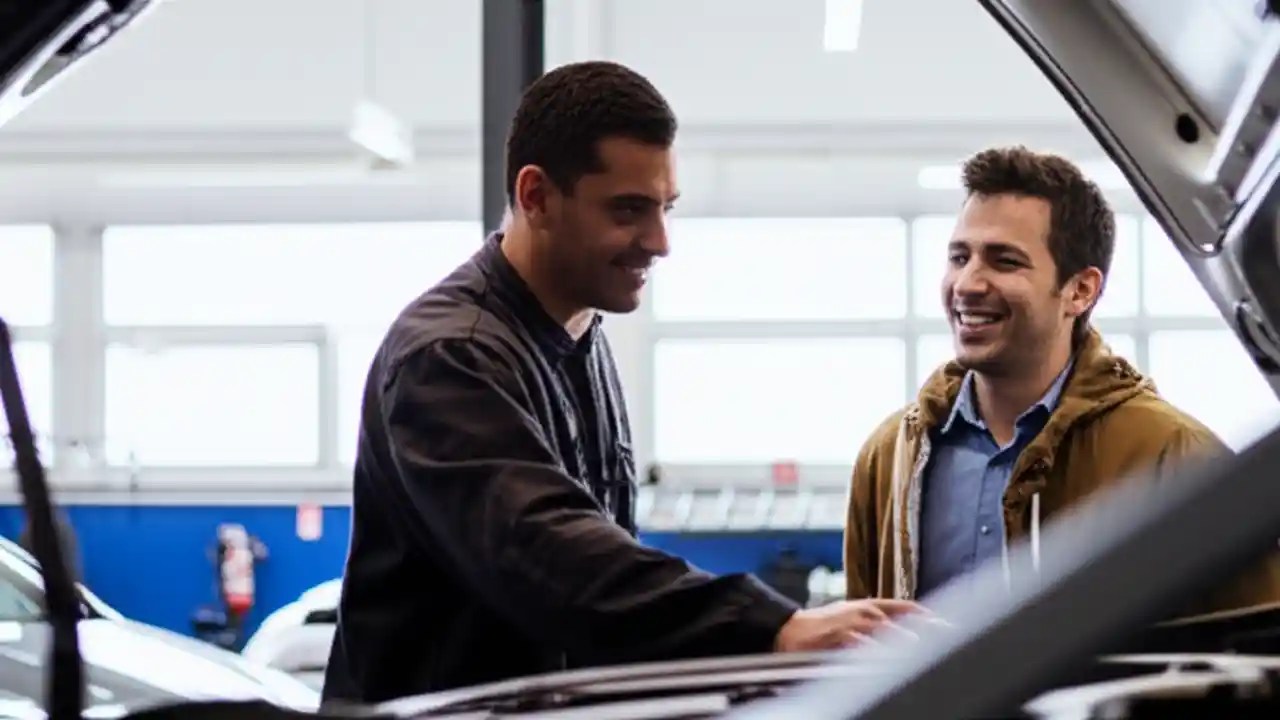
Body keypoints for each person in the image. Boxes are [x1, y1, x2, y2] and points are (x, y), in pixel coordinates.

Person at [322, 60, 923, 705]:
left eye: (666, 208)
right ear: (536, 197)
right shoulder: (450, 357)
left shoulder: (582, 334)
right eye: (629, 210)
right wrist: (775, 628)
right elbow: (552, 558)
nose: (660, 241)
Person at [842, 145, 1280, 613]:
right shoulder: (890, 456)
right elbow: (860, 646)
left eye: (1004, 261)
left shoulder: (1174, 455)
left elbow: (1254, 647)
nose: (968, 283)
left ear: (1080, 290)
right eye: (959, 256)